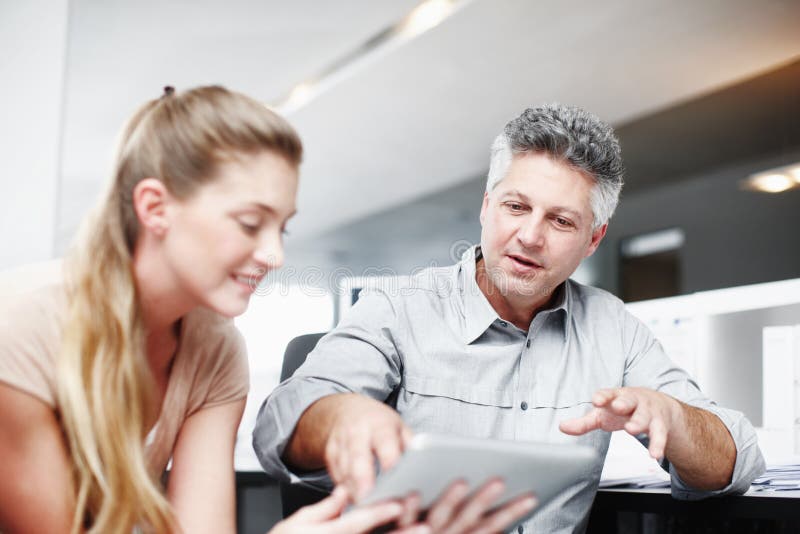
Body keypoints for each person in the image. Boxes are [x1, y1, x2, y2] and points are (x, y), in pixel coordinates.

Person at [253, 103, 766, 533]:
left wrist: (675, 420)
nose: (530, 236)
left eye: (561, 220)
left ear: (593, 239)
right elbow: (280, 422)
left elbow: (739, 459)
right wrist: (340, 417)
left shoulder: (613, 328)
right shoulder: (400, 308)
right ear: (486, 206)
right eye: (516, 207)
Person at [0, 85, 431, 534]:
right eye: (250, 223)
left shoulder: (216, 348)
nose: (274, 255)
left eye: (281, 229)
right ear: (155, 207)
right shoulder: (20, 327)